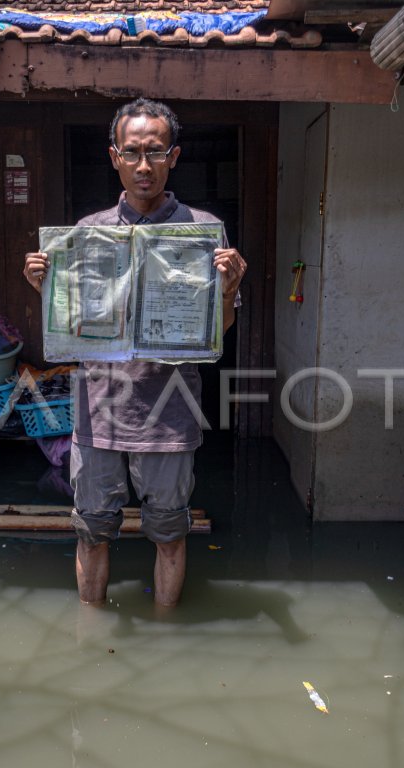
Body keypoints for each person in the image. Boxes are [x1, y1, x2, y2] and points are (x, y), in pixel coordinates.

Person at [23, 98, 247, 608]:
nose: (143, 165)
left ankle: (167, 629)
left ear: (174, 156)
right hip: (98, 410)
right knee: (91, 532)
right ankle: (91, 631)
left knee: (169, 534)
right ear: (114, 157)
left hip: (169, 413)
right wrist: (46, 286)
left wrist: (229, 291)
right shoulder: (85, 234)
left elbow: (218, 334)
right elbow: (71, 327)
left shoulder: (202, 232)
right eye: (132, 152)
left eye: (155, 151)